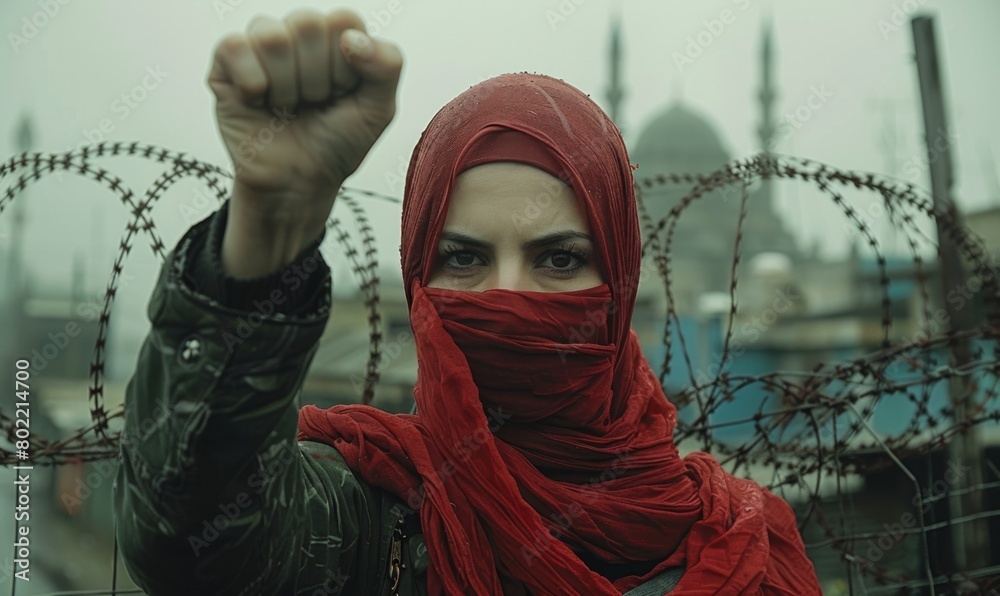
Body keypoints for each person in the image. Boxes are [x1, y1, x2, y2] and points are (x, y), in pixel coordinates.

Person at [113, 8, 822, 595]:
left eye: (559, 258)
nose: (508, 295)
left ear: (621, 283)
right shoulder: (376, 521)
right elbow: (194, 542)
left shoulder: (730, 539)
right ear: (421, 277)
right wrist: (271, 221)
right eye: (464, 257)